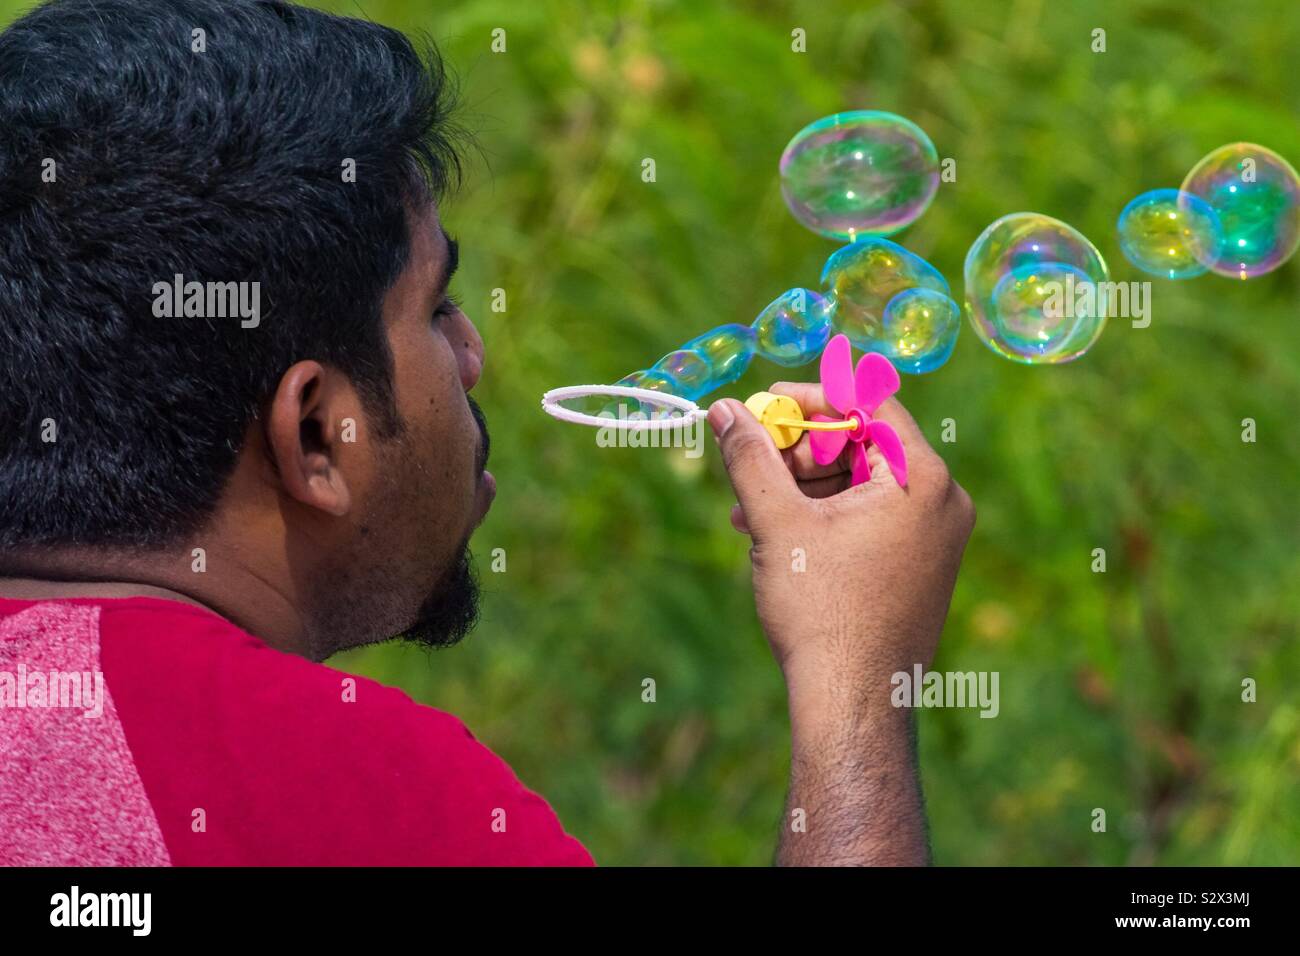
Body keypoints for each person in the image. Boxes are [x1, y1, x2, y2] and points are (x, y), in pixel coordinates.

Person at [0, 0, 974, 866]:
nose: (471, 355)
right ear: (315, 433)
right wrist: (855, 682)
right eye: (437, 306)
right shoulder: (362, 794)